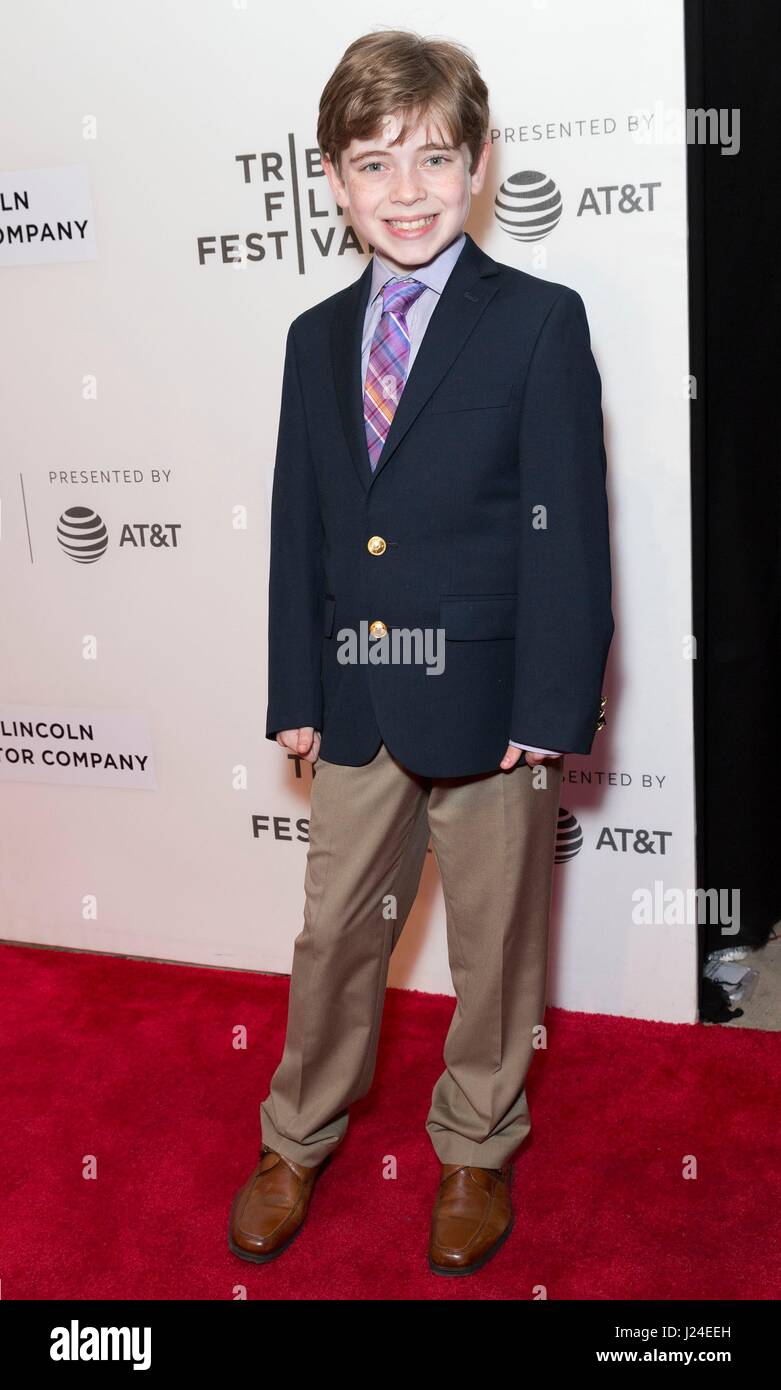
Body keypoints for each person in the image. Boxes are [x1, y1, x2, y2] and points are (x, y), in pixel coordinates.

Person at [229, 27, 613, 1277]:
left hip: (499, 699)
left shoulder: (541, 323)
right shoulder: (307, 339)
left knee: (495, 940)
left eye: (435, 159)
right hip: (355, 689)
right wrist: (296, 684)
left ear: (481, 165)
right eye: (374, 162)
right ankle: (298, 1133)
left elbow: (567, 527)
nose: (407, 192)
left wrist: (552, 698)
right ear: (331, 182)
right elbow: (305, 524)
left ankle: (476, 1145)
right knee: (334, 929)